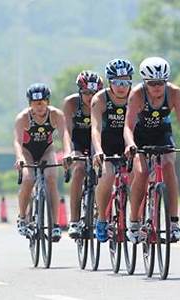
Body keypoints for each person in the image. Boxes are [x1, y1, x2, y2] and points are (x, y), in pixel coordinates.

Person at [123, 56, 180, 243]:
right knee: (142, 172)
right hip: (140, 137)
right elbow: (128, 127)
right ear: (145, 82)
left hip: (163, 133)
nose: (157, 87)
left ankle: (173, 222)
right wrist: (130, 144)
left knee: (168, 165)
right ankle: (133, 222)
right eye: (152, 83)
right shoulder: (137, 95)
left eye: (161, 82)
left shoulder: (174, 93)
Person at [13, 83, 65, 242]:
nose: (39, 106)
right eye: (36, 103)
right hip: (27, 152)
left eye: (42, 102)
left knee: (51, 179)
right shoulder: (23, 118)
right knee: (28, 179)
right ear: (30, 104)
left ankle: (55, 224)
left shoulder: (56, 115)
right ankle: (22, 217)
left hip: (47, 150)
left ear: (48, 102)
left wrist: (68, 152)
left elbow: (65, 137)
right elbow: (17, 141)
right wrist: (20, 158)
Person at [91, 59, 134, 242]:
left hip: (128, 143)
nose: (122, 87)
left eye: (126, 82)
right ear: (109, 82)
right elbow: (95, 128)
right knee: (107, 177)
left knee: (137, 176)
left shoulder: (136, 96)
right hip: (106, 144)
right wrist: (98, 151)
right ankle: (101, 219)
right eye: (117, 82)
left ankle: (136, 220)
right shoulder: (100, 99)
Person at [62, 71, 104, 238]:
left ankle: (102, 215)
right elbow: (66, 131)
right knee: (79, 170)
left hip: (97, 141)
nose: (90, 97)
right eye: (86, 93)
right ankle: (74, 220)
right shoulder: (71, 103)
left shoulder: (103, 102)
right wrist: (68, 151)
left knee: (105, 172)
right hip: (77, 141)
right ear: (80, 91)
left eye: (94, 93)